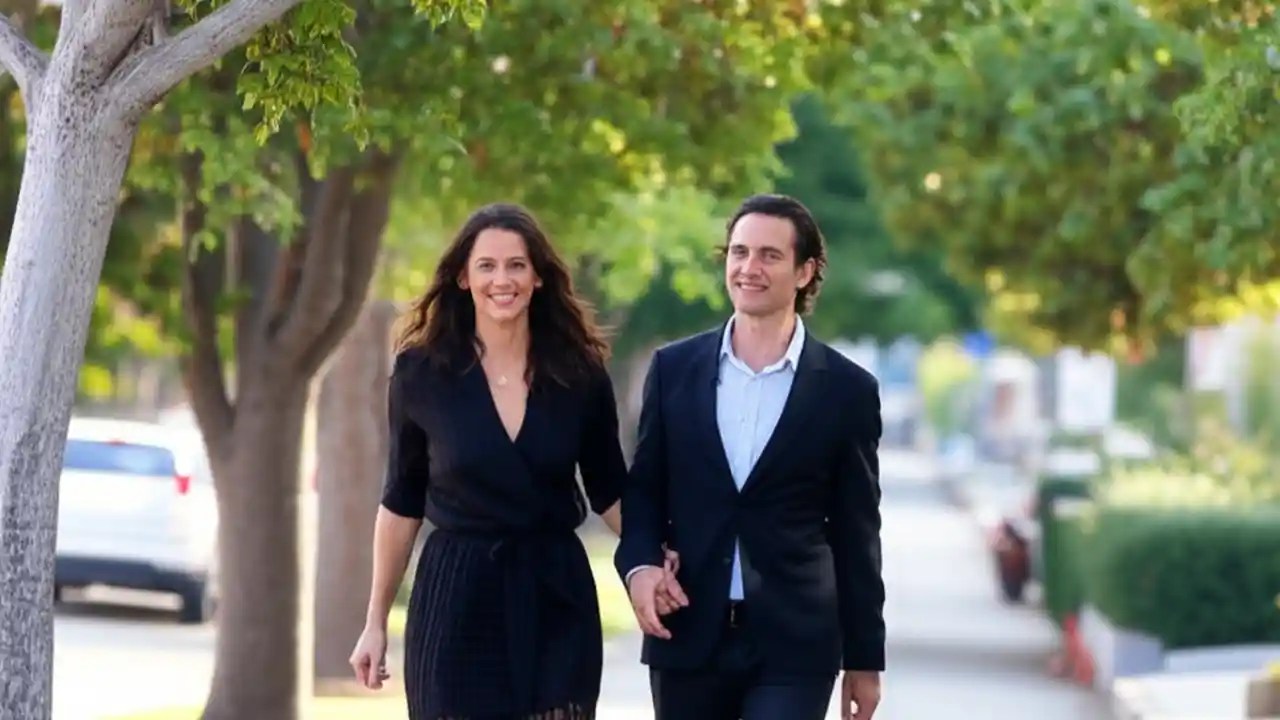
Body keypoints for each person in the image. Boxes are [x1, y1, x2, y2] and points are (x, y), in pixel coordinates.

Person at [349, 203, 672, 719]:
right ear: (462, 277)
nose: (503, 279)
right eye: (487, 266)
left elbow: (610, 489)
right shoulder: (421, 372)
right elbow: (401, 501)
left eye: (517, 265)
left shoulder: (579, 373)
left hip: (553, 593)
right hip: (456, 598)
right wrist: (373, 623)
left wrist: (652, 556)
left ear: (539, 277)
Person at [614, 194, 886, 720]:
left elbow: (857, 534)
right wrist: (642, 565)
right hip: (687, 632)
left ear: (805, 272)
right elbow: (645, 489)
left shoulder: (847, 390)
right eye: (739, 252)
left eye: (769, 255)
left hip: (796, 646)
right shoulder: (674, 369)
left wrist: (864, 658)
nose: (748, 268)